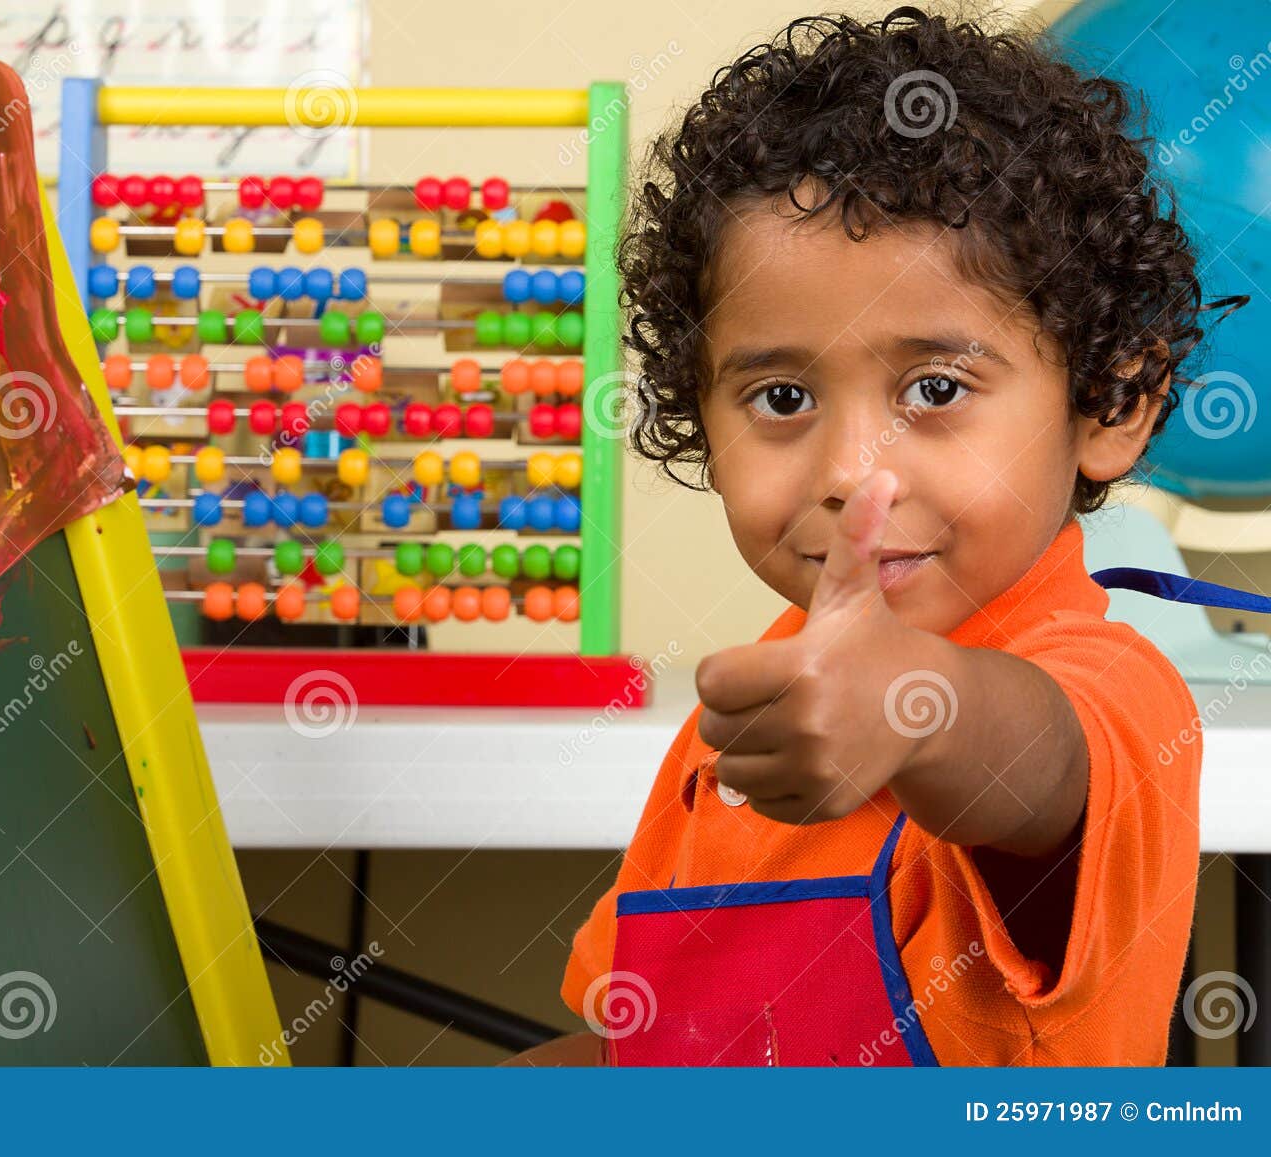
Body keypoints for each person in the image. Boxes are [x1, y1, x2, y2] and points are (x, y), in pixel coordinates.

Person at [509, 5, 1246, 1066]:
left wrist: (910, 710)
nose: (852, 469)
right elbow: (632, 1054)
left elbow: (1029, 761)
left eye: (935, 386)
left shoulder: (1109, 690)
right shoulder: (729, 727)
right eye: (778, 395)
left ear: (1108, 401)